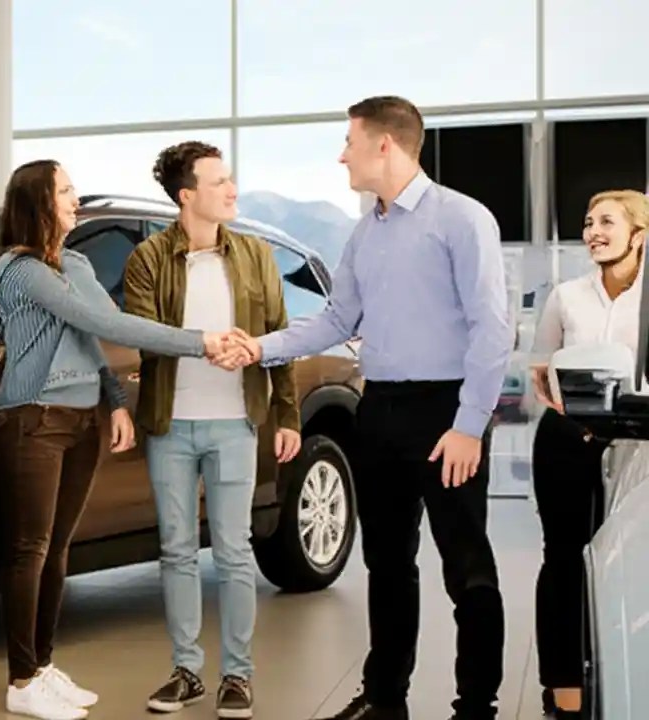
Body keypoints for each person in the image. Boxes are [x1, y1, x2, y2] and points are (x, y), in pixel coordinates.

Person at [222, 95, 514, 720]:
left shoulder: (462, 219)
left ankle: (478, 706)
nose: (341, 154)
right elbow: (335, 319)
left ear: (386, 144)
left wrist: (468, 426)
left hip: (446, 411)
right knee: (386, 563)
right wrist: (260, 348)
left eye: (349, 141)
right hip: (379, 409)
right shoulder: (365, 231)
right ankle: (387, 698)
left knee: (467, 569)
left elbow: (493, 329)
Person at [0, 159, 230, 720]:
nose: (76, 199)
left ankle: (43, 667)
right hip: (34, 419)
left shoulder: (73, 263)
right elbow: (113, 326)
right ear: (37, 203)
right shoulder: (21, 270)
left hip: (79, 423)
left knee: (58, 548)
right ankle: (21, 679)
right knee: (31, 549)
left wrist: (115, 402)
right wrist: (202, 342)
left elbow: (89, 338)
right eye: (65, 191)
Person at [121, 141, 301, 719]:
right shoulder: (147, 258)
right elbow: (145, 334)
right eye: (219, 181)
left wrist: (288, 414)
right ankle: (186, 671)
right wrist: (207, 344)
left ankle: (238, 677)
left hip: (236, 424)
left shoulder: (255, 255)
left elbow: (279, 336)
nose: (231, 189)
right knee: (175, 550)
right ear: (186, 195)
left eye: (230, 179)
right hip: (170, 425)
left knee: (234, 551)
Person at [529, 189, 648, 719]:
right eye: (588, 221)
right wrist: (573, 411)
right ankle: (563, 690)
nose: (593, 231)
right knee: (563, 560)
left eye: (607, 221)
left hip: (640, 440)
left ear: (639, 234)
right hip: (567, 439)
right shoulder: (566, 295)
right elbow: (541, 371)